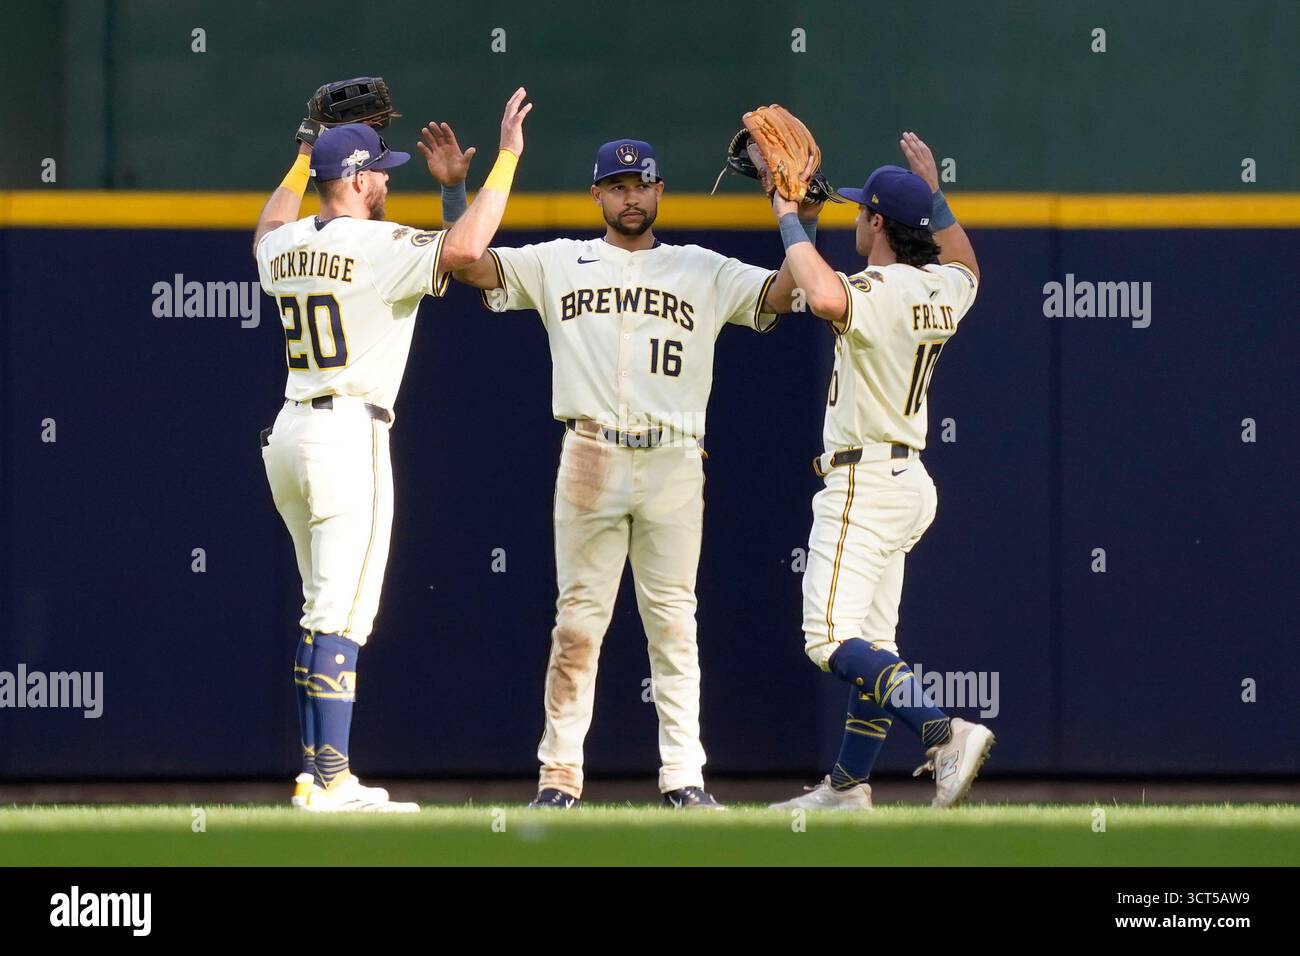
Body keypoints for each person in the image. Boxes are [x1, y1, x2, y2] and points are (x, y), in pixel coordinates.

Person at [426, 130, 801, 808]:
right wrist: (457, 191)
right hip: (591, 452)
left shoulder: (702, 268)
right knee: (578, 623)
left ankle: (685, 780)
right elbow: (467, 263)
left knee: (674, 624)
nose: (632, 196)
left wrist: (797, 212)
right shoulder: (559, 261)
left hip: (676, 456)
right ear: (597, 193)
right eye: (618, 186)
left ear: (660, 190)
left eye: (642, 184)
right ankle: (559, 777)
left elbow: (785, 294)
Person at [252, 88, 532, 811]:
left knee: (321, 608)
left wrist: (302, 151)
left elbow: (268, 222)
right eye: (377, 169)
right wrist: (505, 160)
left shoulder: (284, 247)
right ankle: (335, 778)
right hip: (348, 434)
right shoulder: (379, 245)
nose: (386, 178)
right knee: (341, 616)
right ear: (354, 179)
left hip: (289, 434)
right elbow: (469, 249)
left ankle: (316, 778)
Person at [769, 132, 995, 811]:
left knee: (828, 639)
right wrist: (940, 201)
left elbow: (825, 296)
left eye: (861, 211)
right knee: (873, 642)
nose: (856, 219)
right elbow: (969, 264)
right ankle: (847, 786)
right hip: (908, 480)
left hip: (864, 482)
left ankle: (942, 729)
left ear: (876, 223)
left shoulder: (883, 286)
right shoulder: (945, 286)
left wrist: (785, 213)